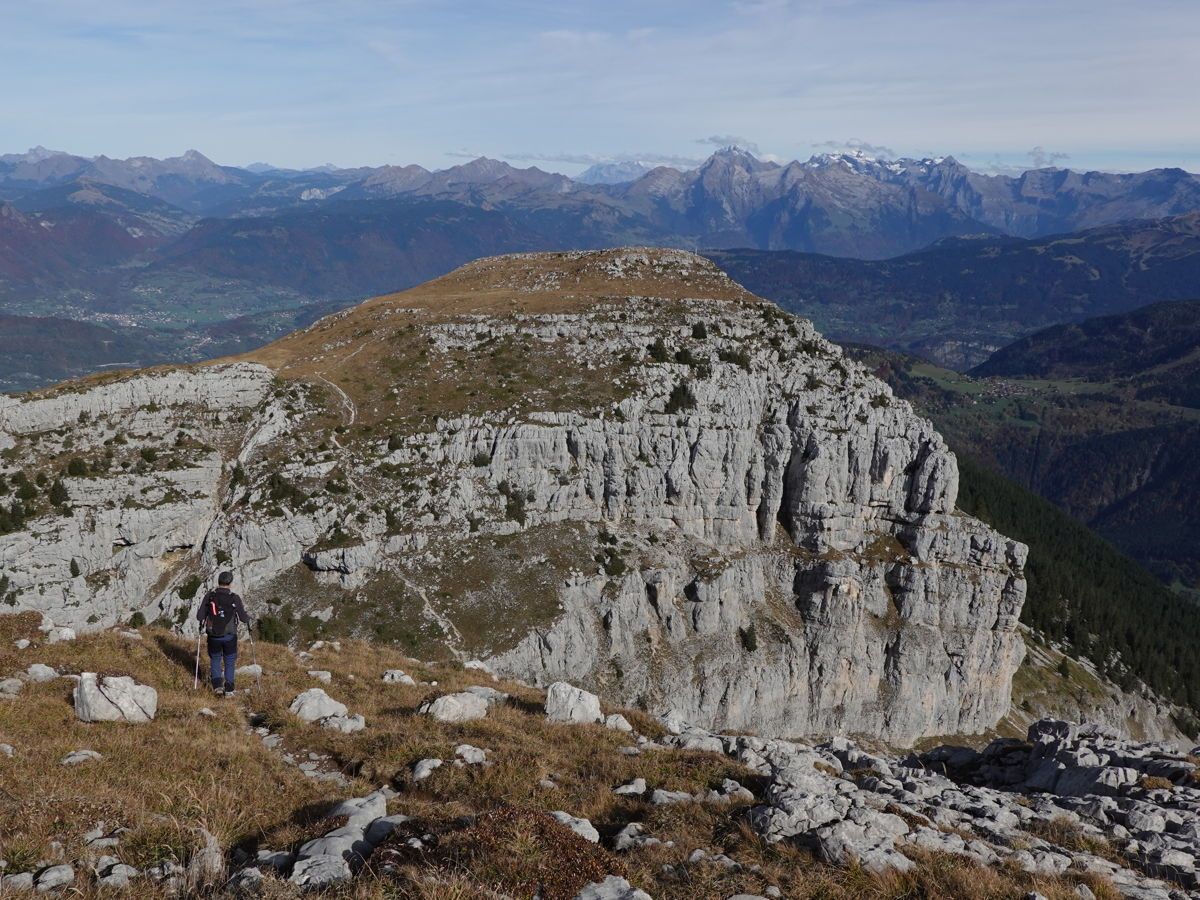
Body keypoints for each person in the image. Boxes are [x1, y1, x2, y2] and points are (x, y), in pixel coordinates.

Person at [196, 571, 251, 695]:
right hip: (230, 636)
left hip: (213, 635)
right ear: (230, 583)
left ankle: (217, 687)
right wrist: (249, 618)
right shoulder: (234, 597)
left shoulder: (210, 596)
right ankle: (229, 689)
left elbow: (200, 616)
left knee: (215, 658)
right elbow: (243, 618)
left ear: (218, 582)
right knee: (230, 660)